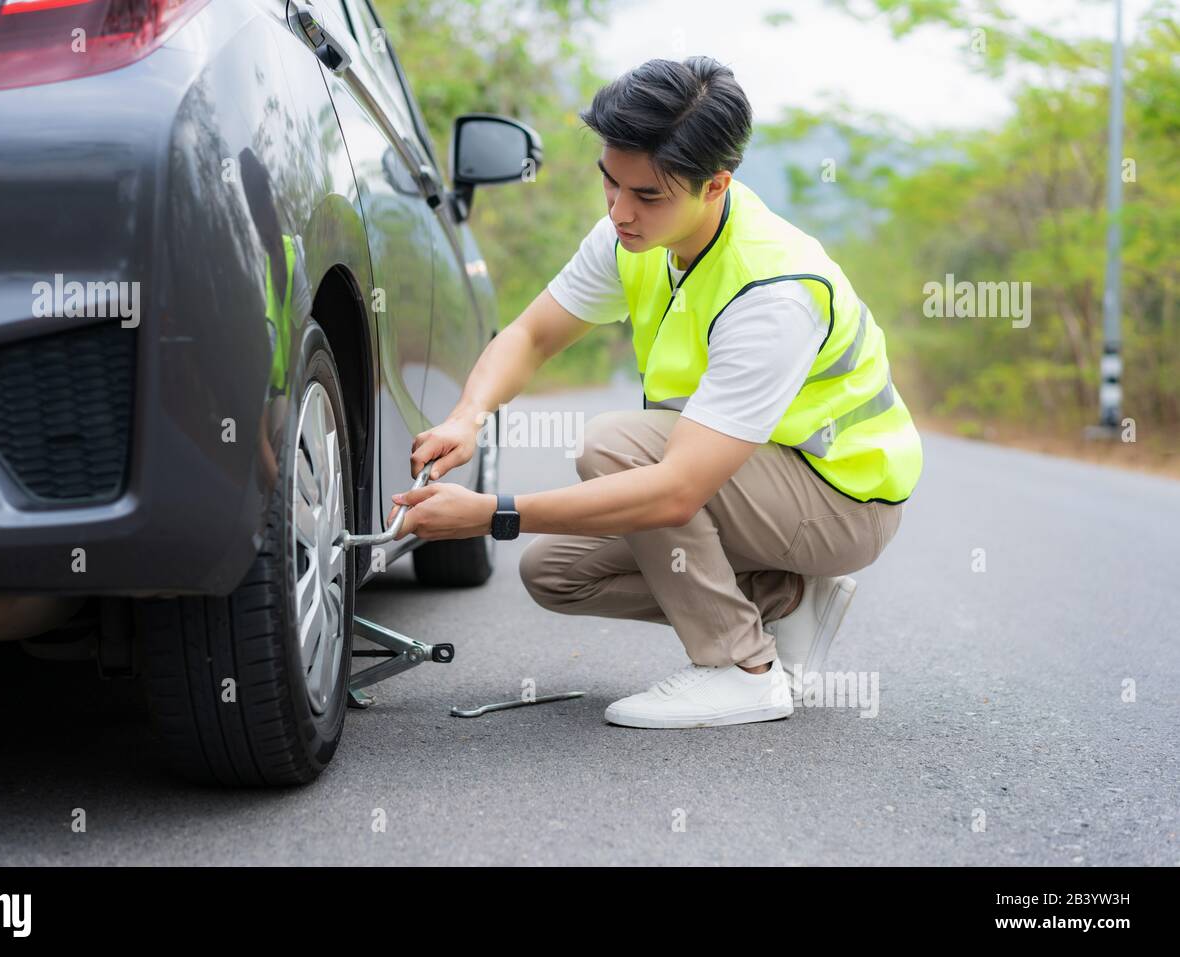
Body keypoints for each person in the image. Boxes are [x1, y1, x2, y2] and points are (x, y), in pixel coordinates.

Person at [387, 56, 923, 729]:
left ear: (715, 185)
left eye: (646, 195)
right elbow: (531, 336)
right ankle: (783, 598)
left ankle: (741, 668)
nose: (619, 211)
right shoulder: (632, 236)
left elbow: (675, 490)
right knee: (553, 571)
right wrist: (469, 416)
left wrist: (491, 511)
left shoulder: (773, 289)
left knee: (612, 447)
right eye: (610, 184)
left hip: (841, 499)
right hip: (757, 485)